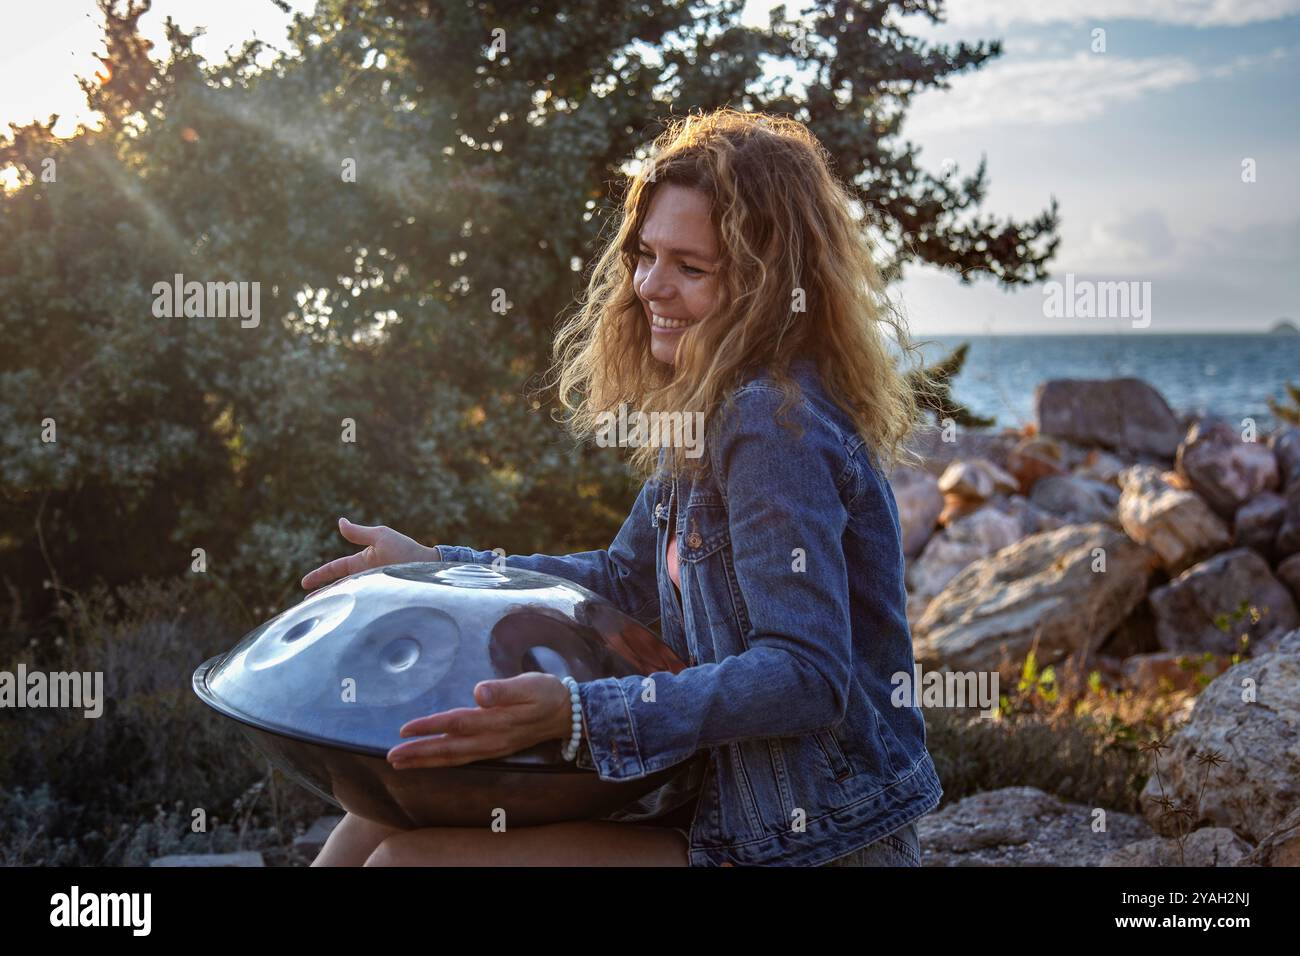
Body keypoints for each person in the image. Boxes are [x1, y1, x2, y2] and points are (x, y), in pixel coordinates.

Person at [306, 108, 943, 867]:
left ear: (768, 284)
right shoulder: (714, 408)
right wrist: (436, 565)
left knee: (408, 864)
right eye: (644, 255)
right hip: (737, 808)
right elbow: (620, 579)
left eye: (690, 267)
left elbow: (806, 676)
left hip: (814, 842)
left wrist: (579, 714)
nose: (649, 286)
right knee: (378, 814)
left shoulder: (771, 425)